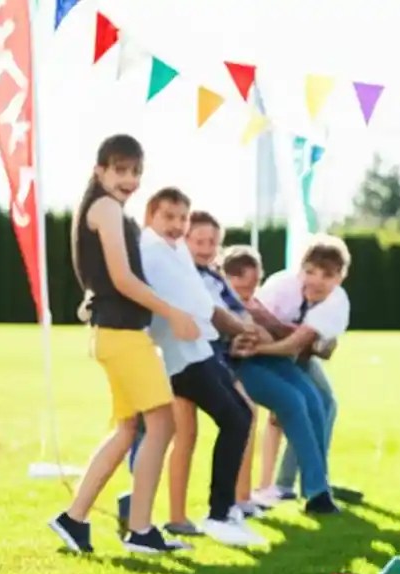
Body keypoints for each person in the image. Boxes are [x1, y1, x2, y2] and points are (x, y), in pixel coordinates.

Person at [49, 134, 199, 554]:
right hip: (120, 336)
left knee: (129, 429)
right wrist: (173, 313)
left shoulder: (102, 209)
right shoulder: (106, 208)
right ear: (100, 170)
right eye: (121, 170)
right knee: (163, 422)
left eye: (136, 172)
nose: (129, 179)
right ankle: (141, 529)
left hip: (115, 333)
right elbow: (121, 278)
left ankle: (74, 519)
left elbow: (97, 274)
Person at [138, 189, 265, 547]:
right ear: (151, 216)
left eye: (182, 218)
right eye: (169, 217)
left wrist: (241, 327)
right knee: (232, 418)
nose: (177, 225)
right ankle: (218, 514)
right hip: (179, 356)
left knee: (240, 414)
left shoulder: (175, 250)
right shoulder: (148, 251)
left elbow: (205, 304)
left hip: (201, 349)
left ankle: (222, 512)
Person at [224, 241, 340, 515]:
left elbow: (273, 329)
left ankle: (317, 488)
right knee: (293, 400)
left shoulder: (254, 301)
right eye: (241, 290)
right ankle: (315, 491)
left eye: (253, 288)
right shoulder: (218, 298)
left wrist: (272, 332)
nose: (248, 296)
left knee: (314, 397)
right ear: (226, 279)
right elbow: (246, 335)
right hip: (238, 365)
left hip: (269, 357)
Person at [244, 239, 361, 507]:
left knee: (325, 403)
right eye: (310, 271)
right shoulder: (281, 286)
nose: (317, 281)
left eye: (327, 275)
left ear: (340, 278)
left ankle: (299, 482)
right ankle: (291, 484)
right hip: (262, 352)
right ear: (300, 270)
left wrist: (266, 344)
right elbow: (251, 317)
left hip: (287, 352)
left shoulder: (337, 301)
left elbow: (301, 345)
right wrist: (267, 340)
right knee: (293, 405)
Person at [185, 212, 269, 520]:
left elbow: (238, 310)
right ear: (185, 240)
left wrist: (243, 331)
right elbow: (217, 314)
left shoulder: (214, 276)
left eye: (213, 242)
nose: (207, 248)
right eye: (200, 241)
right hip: (191, 358)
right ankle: (209, 512)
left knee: (245, 414)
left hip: (215, 357)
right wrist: (240, 330)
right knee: (179, 434)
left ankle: (236, 499)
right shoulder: (184, 274)